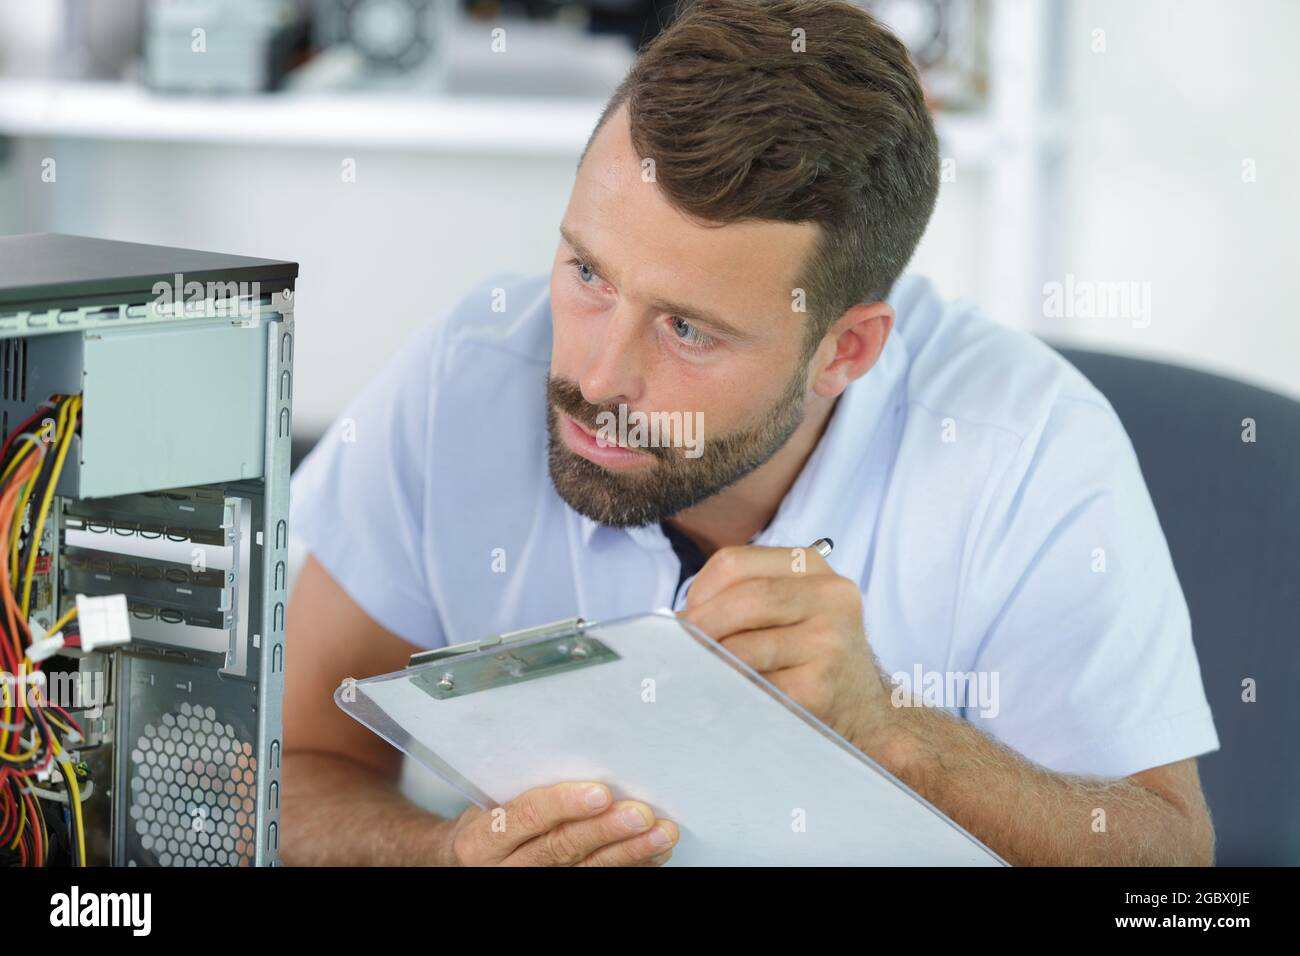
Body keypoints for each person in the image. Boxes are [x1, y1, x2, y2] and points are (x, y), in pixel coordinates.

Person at [283, 0, 1218, 866]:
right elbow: (286, 767)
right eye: (588, 273)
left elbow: (1174, 863)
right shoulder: (468, 374)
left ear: (844, 349)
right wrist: (442, 857)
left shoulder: (1028, 445)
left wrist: (886, 725)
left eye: (688, 329)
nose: (598, 379)